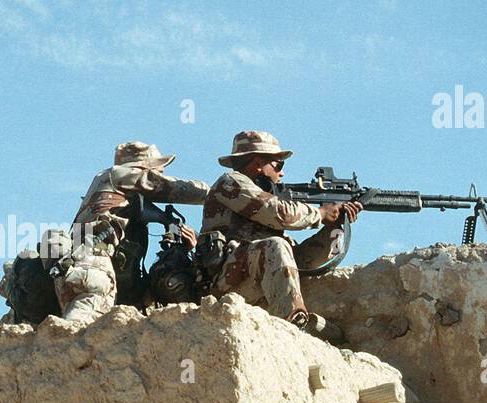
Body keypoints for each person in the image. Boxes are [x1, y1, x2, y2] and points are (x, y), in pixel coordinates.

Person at [200, 131, 360, 341]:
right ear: (258, 163)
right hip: (222, 283)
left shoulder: (267, 240)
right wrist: (320, 214)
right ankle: (293, 322)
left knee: (280, 247)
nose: (281, 174)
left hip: (249, 284)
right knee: (276, 245)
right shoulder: (231, 183)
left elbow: (305, 261)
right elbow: (280, 213)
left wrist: (335, 227)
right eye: (278, 165)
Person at [52, 141, 209, 326]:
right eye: (157, 170)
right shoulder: (116, 175)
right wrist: (223, 191)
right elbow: (182, 190)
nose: (160, 174)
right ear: (142, 168)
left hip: (86, 267)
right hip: (92, 266)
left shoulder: (122, 205)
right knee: (76, 332)